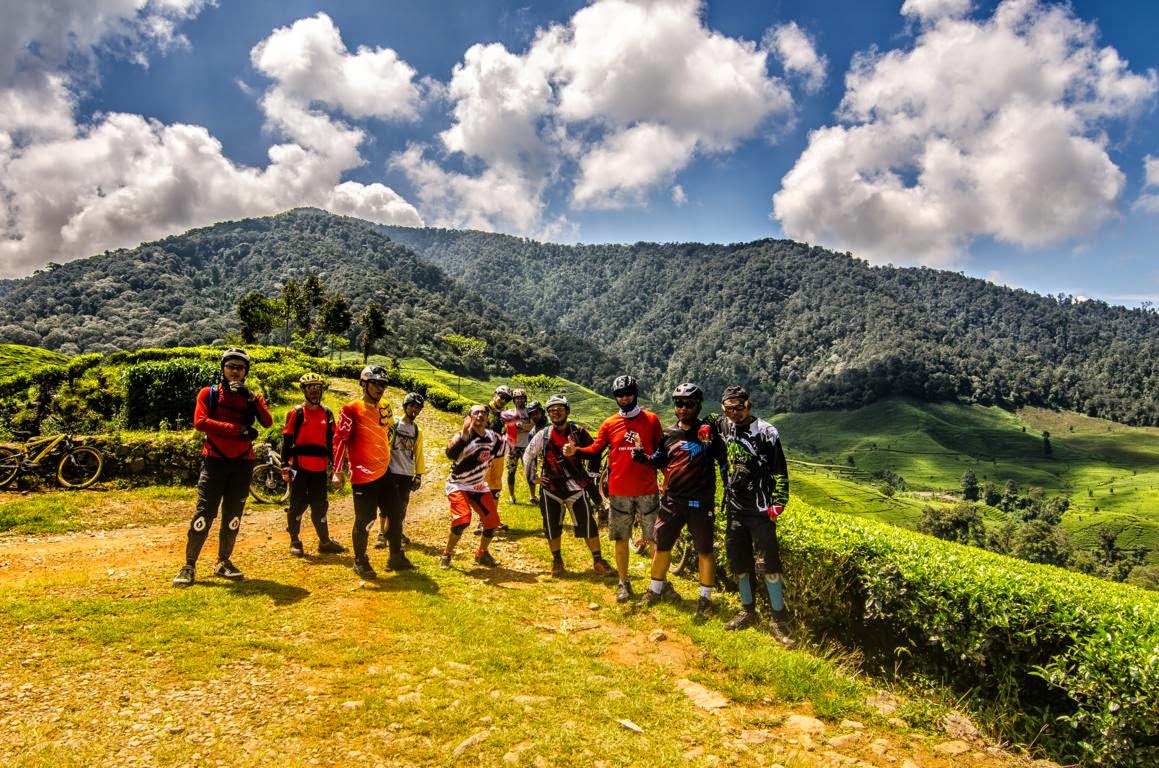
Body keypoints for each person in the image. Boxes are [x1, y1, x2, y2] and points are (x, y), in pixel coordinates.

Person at [172, 348, 273, 586]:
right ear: (223, 368)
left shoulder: (253, 397)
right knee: (204, 513)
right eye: (231, 367)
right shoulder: (209, 393)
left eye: (240, 368)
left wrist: (251, 398)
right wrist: (237, 429)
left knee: (233, 515)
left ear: (246, 372)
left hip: (243, 462)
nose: (235, 372)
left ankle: (223, 561)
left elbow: (267, 422)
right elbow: (200, 423)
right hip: (215, 460)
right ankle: (189, 565)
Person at [563, 374, 663, 603]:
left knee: (656, 539)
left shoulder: (651, 419)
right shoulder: (609, 423)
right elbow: (596, 449)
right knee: (621, 538)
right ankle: (623, 582)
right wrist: (576, 450)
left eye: (628, 393)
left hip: (648, 488)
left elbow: (661, 451)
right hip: (619, 490)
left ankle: (658, 584)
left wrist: (663, 474)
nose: (624, 398)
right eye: (619, 394)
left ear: (635, 393)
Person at [632, 383, 726, 621]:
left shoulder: (709, 433)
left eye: (689, 404)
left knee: (704, 550)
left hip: (700, 503)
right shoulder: (668, 434)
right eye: (679, 403)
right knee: (662, 546)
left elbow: (724, 462)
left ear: (698, 405)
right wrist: (642, 458)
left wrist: (728, 491)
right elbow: (659, 460)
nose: (683, 408)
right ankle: (654, 590)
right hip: (672, 501)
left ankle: (705, 599)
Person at [716, 385, 796, 647]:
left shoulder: (767, 432)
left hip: (761, 511)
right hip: (735, 509)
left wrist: (779, 503)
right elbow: (703, 421)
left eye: (739, 407)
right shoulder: (723, 425)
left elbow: (780, 471)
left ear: (748, 405)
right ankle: (747, 610)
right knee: (739, 564)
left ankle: (778, 619)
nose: (734, 413)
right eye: (729, 409)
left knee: (769, 566)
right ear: (723, 409)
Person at [524, 394, 615, 578]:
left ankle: (598, 560)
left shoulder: (579, 432)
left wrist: (592, 473)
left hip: (576, 487)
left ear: (567, 411)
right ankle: (557, 560)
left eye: (559, 409)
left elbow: (595, 451)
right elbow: (528, 455)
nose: (555, 413)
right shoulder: (544, 434)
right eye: (552, 411)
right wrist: (533, 478)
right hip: (551, 489)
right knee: (551, 526)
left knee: (588, 524)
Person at [331, 365, 394, 580]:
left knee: (394, 513)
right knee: (365, 519)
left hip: (385, 471)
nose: (380, 388)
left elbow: (387, 435)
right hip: (363, 474)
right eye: (376, 383)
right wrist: (337, 471)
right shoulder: (351, 409)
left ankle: (396, 556)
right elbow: (340, 439)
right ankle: (360, 559)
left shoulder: (385, 407)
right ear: (364, 383)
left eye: (383, 384)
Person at [281, 372, 346, 557]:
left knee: (320, 505)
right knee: (297, 505)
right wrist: (284, 465)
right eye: (311, 388)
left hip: (319, 468)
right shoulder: (296, 413)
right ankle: (295, 540)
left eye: (318, 388)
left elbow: (332, 442)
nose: (315, 392)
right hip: (300, 468)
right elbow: (287, 440)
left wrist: (336, 468)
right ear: (304, 390)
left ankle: (324, 541)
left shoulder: (327, 413)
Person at [441, 404, 508, 569]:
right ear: (469, 417)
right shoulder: (463, 436)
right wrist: (463, 435)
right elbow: (449, 454)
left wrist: (512, 426)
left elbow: (506, 448)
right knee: (462, 519)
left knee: (492, 522)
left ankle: (481, 554)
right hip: (458, 484)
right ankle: (446, 554)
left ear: (488, 417)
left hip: (477, 486)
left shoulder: (493, 437)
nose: (480, 415)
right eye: (475, 412)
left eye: (483, 413)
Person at [373, 391, 425, 570]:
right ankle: (382, 533)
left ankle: (396, 533)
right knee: (386, 507)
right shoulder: (394, 424)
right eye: (411, 406)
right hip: (391, 471)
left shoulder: (416, 430)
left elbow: (418, 453)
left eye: (417, 408)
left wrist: (418, 474)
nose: (414, 410)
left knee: (402, 506)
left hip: (406, 473)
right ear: (405, 406)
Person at [474, 384, 514, 534]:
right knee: (482, 486)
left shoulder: (505, 415)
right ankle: (481, 521)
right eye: (501, 396)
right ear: (494, 394)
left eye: (506, 399)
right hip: (483, 455)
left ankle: (492, 518)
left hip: (499, 454)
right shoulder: (482, 410)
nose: (503, 400)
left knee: (496, 487)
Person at [504, 388, 535, 504]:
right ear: (514, 400)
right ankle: (512, 496)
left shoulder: (530, 412)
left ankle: (533, 496)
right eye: (517, 398)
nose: (520, 400)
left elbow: (532, 427)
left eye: (522, 398)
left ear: (525, 399)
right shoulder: (509, 412)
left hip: (527, 446)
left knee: (530, 471)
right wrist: (524, 427)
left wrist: (519, 426)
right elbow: (510, 429)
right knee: (511, 471)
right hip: (513, 446)